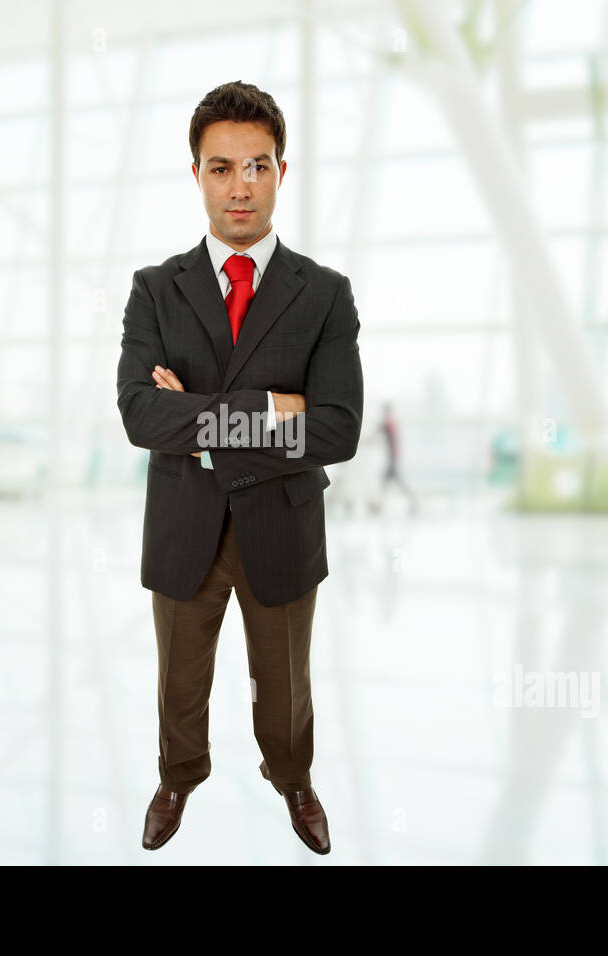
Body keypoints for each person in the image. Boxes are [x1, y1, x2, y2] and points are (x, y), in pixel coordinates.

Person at [116, 81, 363, 855]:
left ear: (282, 172)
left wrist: (200, 419)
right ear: (197, 175)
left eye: (256, 166)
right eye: (221, 168)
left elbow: (337, 428)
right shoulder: (155, 291)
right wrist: (268, 405)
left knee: (285, 682)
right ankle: (178, 776)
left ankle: (292, 777)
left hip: (280, 526)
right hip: (184, 524)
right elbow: (138, 414)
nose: (240, 185)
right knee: (178, 680)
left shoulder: (324, 296)